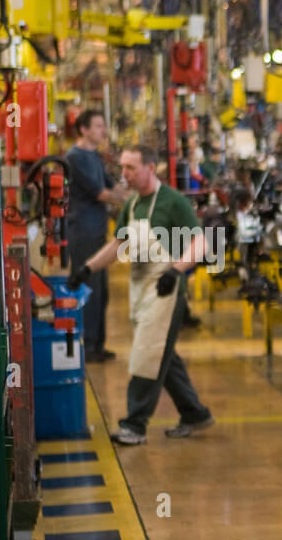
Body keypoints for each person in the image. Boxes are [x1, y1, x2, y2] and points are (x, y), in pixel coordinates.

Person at [67, 145, 215, 446]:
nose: (124, 174)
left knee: (147, 353)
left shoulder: (173, 202)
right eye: (122, 167)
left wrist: (176, 271)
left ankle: (134, 425)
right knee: (162, 353)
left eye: (131, 168)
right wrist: (87, 268)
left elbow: (200, 243)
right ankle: (195, 413)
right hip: (141, 289)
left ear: (151, 168)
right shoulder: (133, 205)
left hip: (166, 290)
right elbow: (119, 244)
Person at [65, 110, 125, 362]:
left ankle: (97, 344)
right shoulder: (74, 157)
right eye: (99, 125)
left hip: (98, 230)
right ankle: (87, 346)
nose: (104, 130)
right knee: (89, 288)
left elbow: (112, 185)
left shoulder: (94, 155)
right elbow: (100, 192)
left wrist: (127, 191)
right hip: (82, 231)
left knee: (101, 290)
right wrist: (130, 200)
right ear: (83, 129)